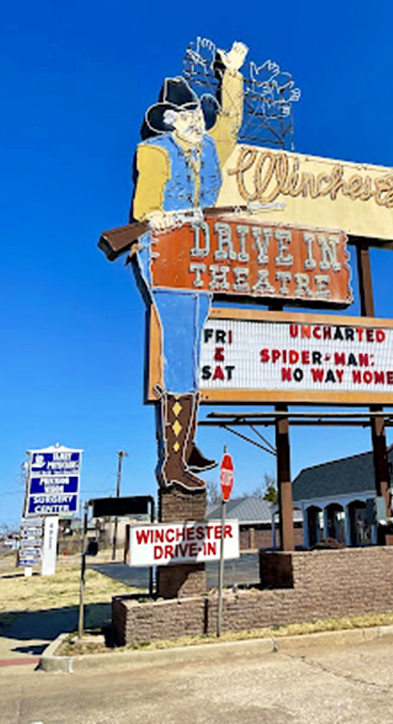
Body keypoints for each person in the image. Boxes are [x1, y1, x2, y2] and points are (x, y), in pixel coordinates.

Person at [131, 42, 247, 491]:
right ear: (170, 120)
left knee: (193, 346)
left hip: (199, 251)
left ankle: (186, 438)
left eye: (197, 111)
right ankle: (173, 464)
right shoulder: (154, 152)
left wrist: (231, 75)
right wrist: (153, 215)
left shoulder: (212, 144)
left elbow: (232, 122)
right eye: (186, 115)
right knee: (178, 348)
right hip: (164, 249)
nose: (196, 119)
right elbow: (146, 202)